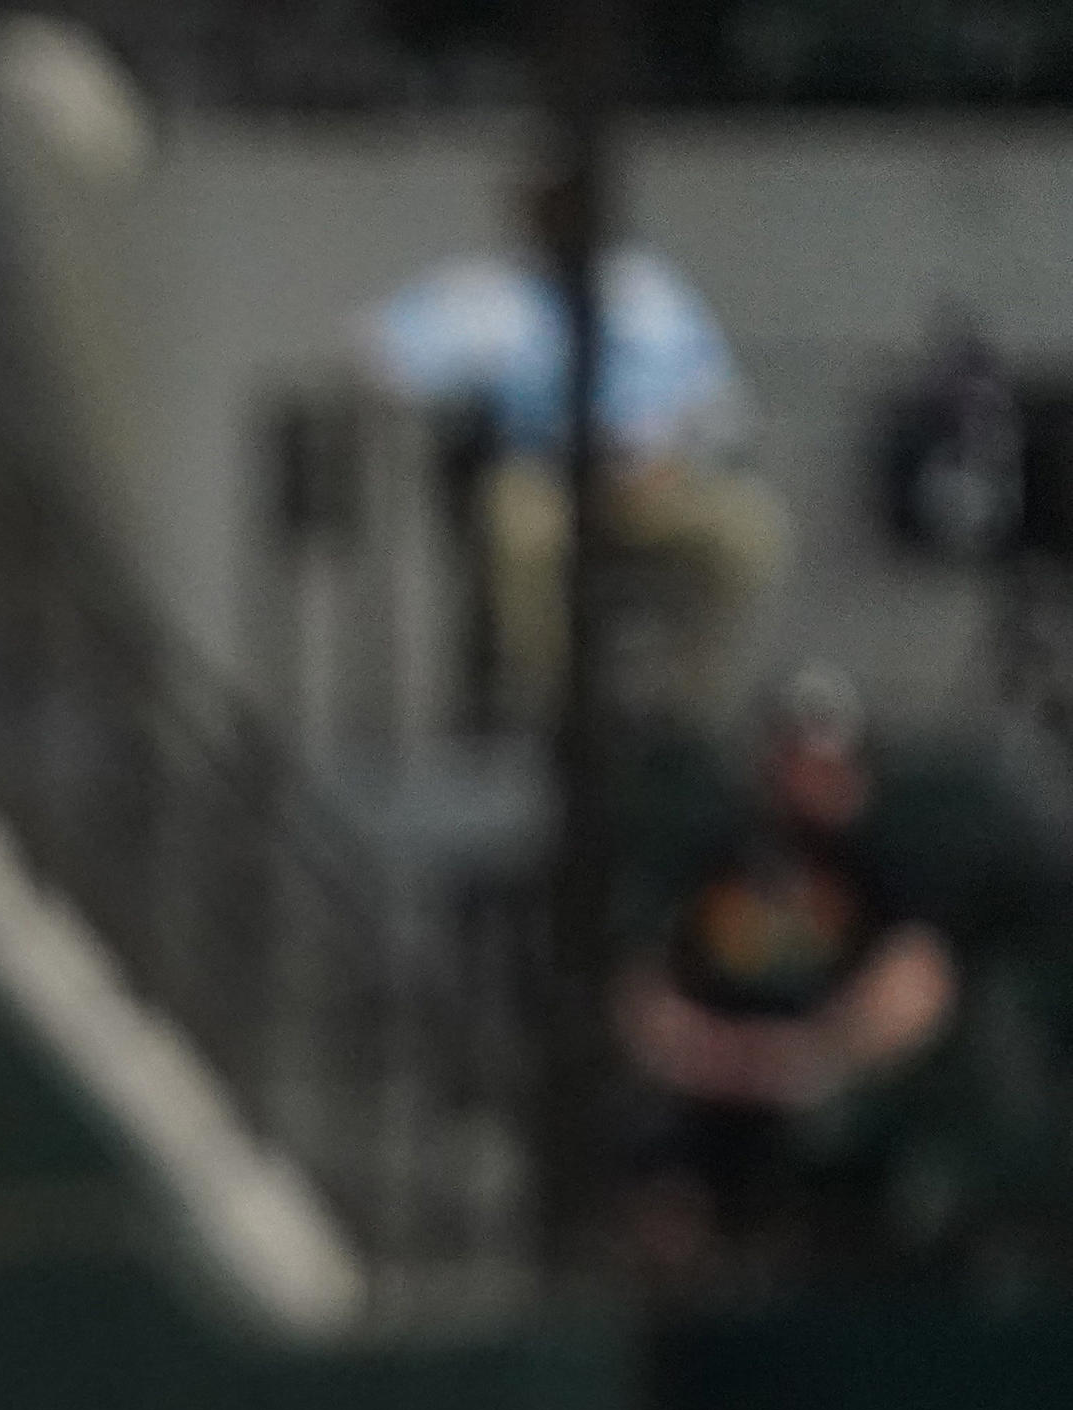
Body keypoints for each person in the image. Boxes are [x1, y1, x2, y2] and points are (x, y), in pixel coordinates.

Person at [361, 205, 786, 723]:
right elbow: (382, 357)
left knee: (747, 527)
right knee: (517, 525)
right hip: (546, 479)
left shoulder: (646, 290)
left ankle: (683, 713)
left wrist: (672, 459)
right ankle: (556, 711)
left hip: (652, 482)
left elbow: (720, 402)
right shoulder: (489, 294)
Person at [612, 666, 961, 1275]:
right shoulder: (716, 859)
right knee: (660, 1175)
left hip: (842, 1093)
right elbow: (647, 991)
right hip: (715, 1089)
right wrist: (710, 1056)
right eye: (793, 754)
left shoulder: (881, 864)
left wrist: (819, 1054)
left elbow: (920, 982)